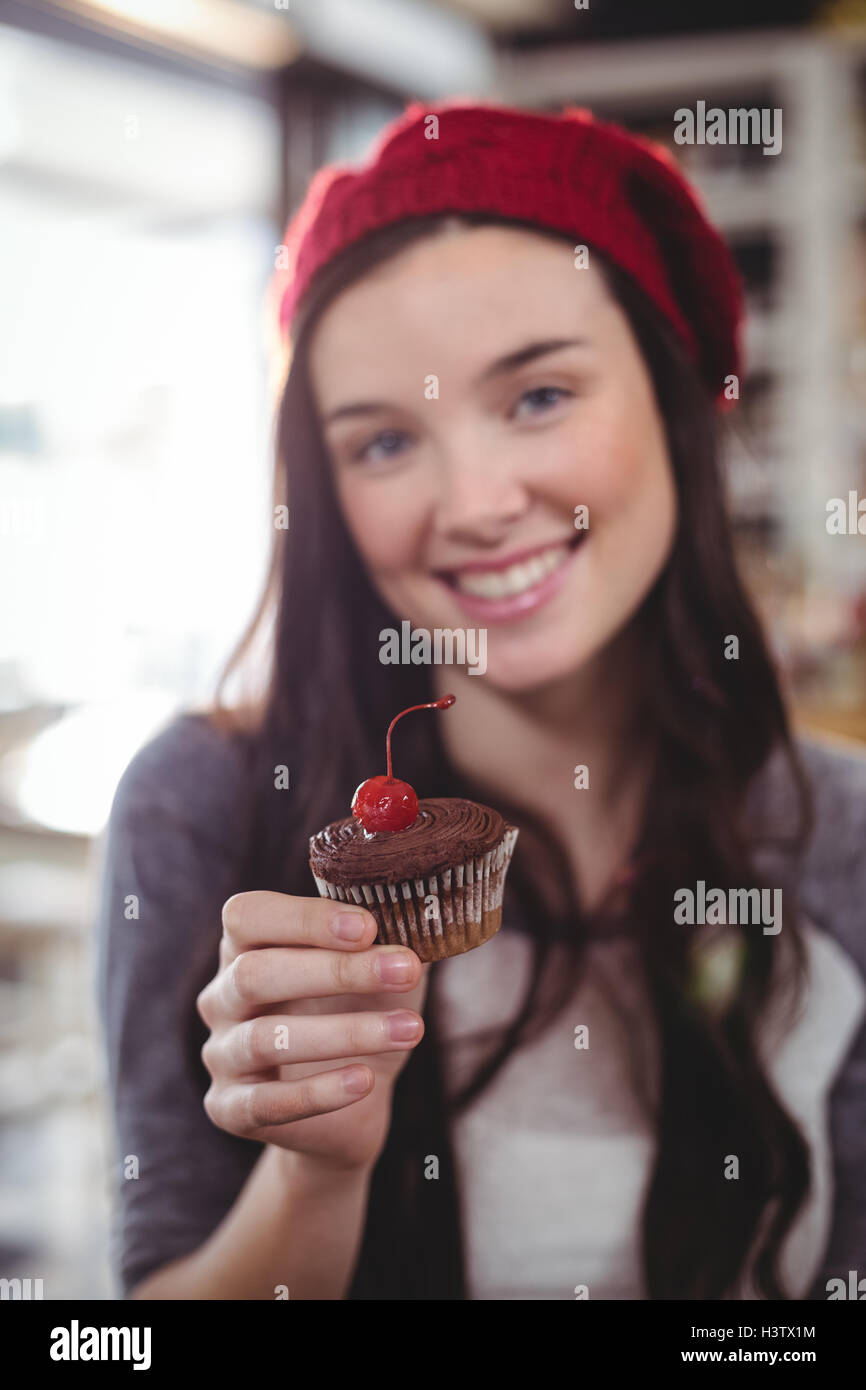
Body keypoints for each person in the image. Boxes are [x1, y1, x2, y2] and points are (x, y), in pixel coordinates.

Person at [96, 101, 866, 1301]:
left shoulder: (839, 836)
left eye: (538, 398)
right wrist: (314, 1176)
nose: (471, 501)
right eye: (384, 443)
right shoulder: (204, 808)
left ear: (672, 403)